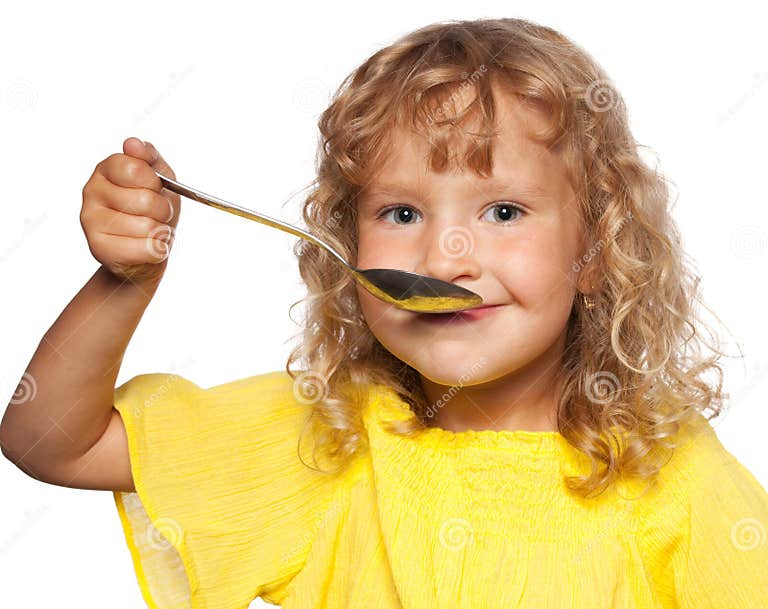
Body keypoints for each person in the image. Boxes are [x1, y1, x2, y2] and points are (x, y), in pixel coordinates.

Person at [2, 16, 767, 609]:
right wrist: (124, 281)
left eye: (503, 209)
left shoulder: (670, 474)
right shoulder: (328, 439)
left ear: (595, 252)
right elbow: (49, 443)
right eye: (401, 213)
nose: (444, 257)